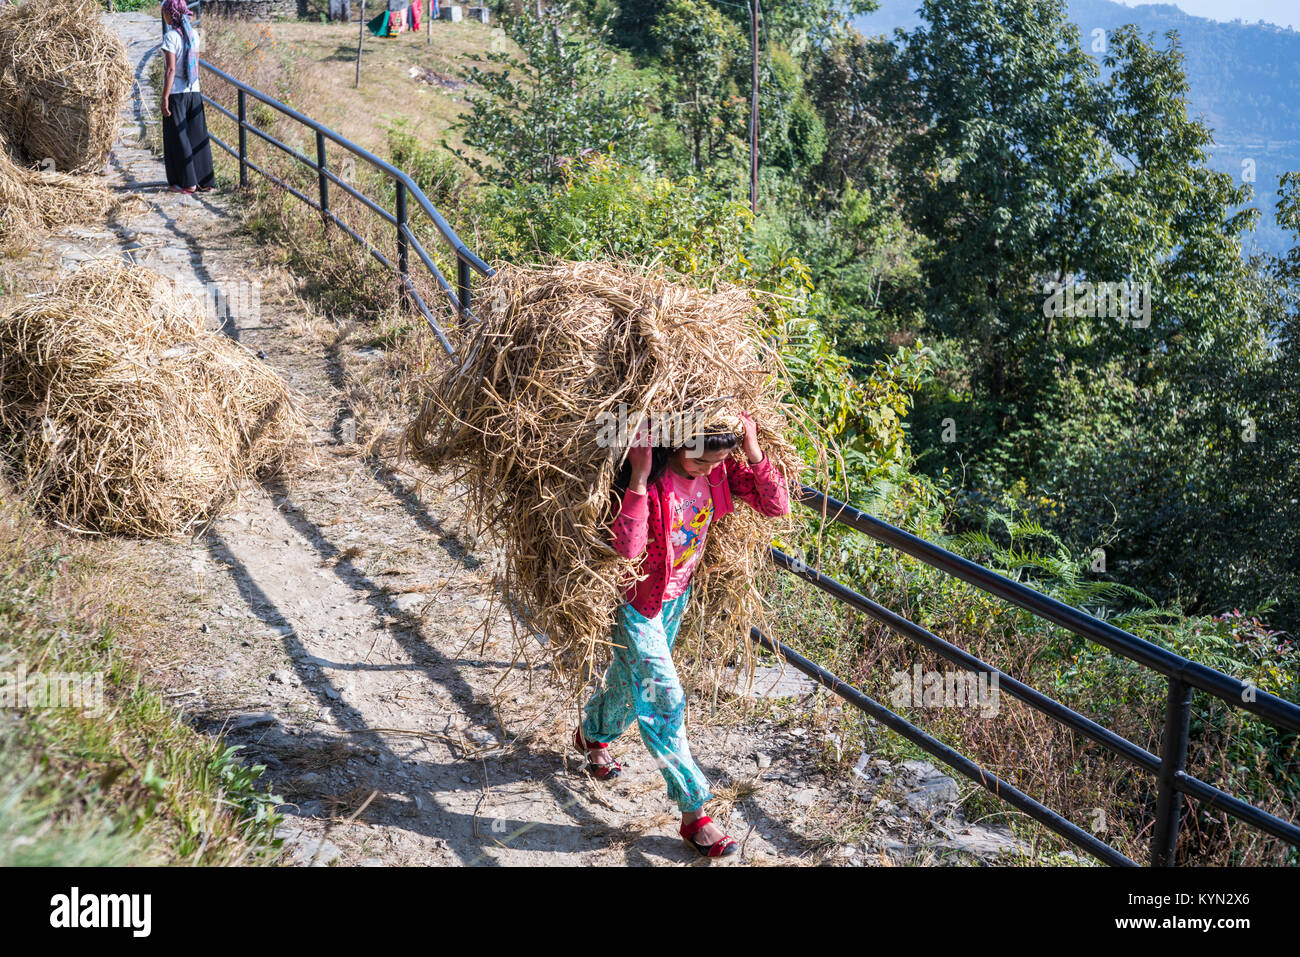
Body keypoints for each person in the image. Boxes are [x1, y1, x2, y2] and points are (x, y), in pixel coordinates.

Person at [574, 408, 790, 859]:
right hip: (638, 604)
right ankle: (695, 814)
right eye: (700, 461)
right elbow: (627, 548)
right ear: (678, 444)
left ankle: (592, 735)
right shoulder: (651, 477)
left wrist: (750, 449)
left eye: (718, 462)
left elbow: (776, 505)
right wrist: (637, 475)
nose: (710, 470)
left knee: (628, 680)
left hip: (675, 600)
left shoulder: (718, 472)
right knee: (665, 696)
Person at [160, 0, 215, 194]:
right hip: (194, 90)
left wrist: (164, 97)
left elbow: (171, 70)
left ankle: (187, 183)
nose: (164, 16)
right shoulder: (195, 35)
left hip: (176, 93)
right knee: (198, 135)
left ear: (171, 14)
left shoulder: (171, 36)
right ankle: (205, 182)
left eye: (165, 12)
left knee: (178, 138)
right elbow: (196, 66)